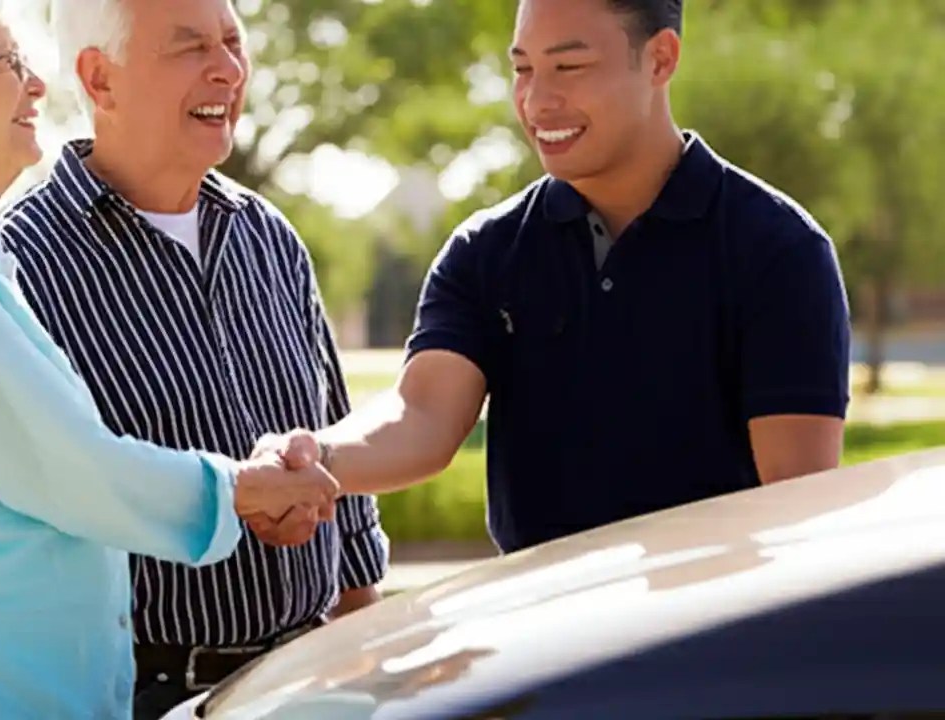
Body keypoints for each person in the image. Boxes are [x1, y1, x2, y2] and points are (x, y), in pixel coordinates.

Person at [0, 0, 389, 717]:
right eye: (6, 64)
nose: (36, 85)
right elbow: (65, 466)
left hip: (280, 672)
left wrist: (360, 628)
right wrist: (239, 491)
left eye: (232, 41)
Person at [261, 0, 851, 555]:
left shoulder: (779, 251)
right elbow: (421, 416)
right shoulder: (485, 252)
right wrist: (319, 456)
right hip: (536, 644)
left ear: (660, 58)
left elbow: (794, 506)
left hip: (707, 649)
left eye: (570, 66)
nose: (538, 101)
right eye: (522, 70)